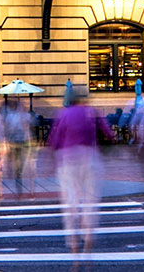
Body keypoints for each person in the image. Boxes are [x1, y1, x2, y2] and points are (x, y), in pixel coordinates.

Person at [47, 91, 113, 256]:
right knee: (91, 198)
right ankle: (88, 232)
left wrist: (51, 161)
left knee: (70, 199)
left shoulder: (64, 114)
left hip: (68, 158)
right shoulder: (93, 112)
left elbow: (54, 140)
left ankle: (73, 240)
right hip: (90, 156)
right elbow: (109, 135)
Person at [0, 99, 34, 198]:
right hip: (18, 143)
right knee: (19, 166)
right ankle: (20, 187)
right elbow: (8, 129)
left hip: (22, 142)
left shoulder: (24, 116)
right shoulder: (14, 116)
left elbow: (32, 124)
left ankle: (22, 186)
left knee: (22, 166)